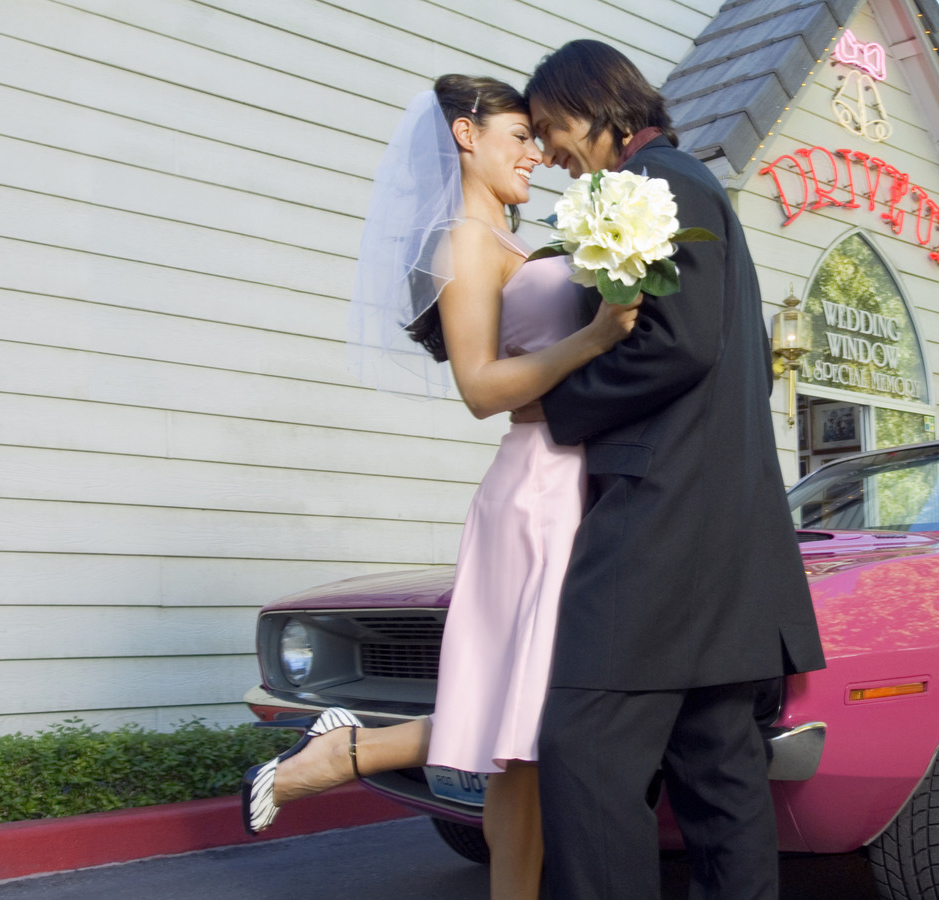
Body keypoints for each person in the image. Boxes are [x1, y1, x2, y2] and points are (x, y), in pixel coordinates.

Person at [239, 74, 640, 900]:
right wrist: (598, 336)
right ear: (466, 135)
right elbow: (481, 387)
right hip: (537, 488)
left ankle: (355, 750)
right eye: (520, 136)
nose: (537, 154)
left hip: (576, 478)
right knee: (526, 724)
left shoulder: (519, 238)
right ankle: (354, 751)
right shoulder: (463, 241)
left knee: (530, 729)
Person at [524, 40, 827, 900]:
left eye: (550, 127)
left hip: (658, 529)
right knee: (718, 775)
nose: (547, 150)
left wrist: (558, 403)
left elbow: (678, 345)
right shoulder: (688, 185)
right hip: (716, 541)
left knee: (583, 751)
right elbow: (735, 358)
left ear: (596, 104)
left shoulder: (656, 185)